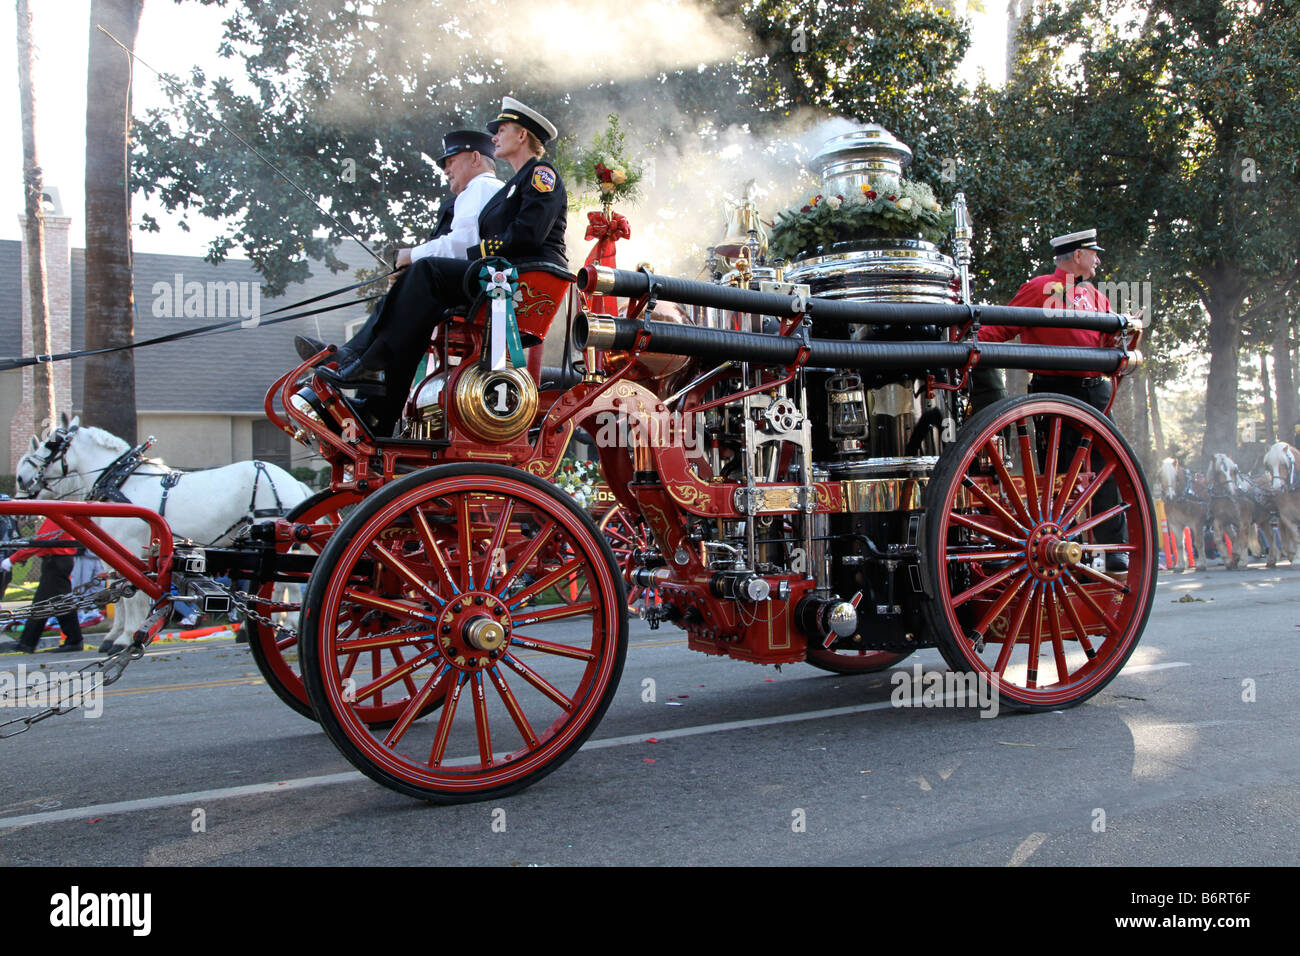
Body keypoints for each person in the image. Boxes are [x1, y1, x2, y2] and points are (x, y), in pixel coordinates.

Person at [318, 97, 568, 434]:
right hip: (500, 275)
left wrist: (474, 252)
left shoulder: (541, 173)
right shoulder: (510, 186)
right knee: (417, 301)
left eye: (502, 129)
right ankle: (379, 402)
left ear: (522, 135)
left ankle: (365, 363)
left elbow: (527, 236)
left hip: (523, 278)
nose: (494, 137)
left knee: (427, 270)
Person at [975, 228, 1130, 572]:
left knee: (1108, 466)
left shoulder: (1096, 296)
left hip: (1095, 391)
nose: (1098, 259)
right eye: (1093, 253)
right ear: (1077, 256)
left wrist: (1125, 341)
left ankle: (1114, 546)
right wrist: (965, 347)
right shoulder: (1040, 288)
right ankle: (1068, 545)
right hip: (1055, 392)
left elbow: (1108, 344)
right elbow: (1001, 328)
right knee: (1060, 474)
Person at [294, 128, 504, 368]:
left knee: (416, 278)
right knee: (401, 292)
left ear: (476, 158)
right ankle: (357, 360)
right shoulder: (487, 190)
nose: (446, 170)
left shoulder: (480, 188)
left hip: (479, 287)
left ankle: (357, 360)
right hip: (478, 283)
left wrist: (410, 256)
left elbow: (461, 244)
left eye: (451, 161)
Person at [0, 517, 84, 653]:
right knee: (54, 603)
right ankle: (71, 639)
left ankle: (28, 643)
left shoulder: (57, 516)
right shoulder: (58, 516)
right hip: (56, 561)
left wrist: (13, 559)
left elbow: (41, 542)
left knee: (45, 603)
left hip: (56, 561)